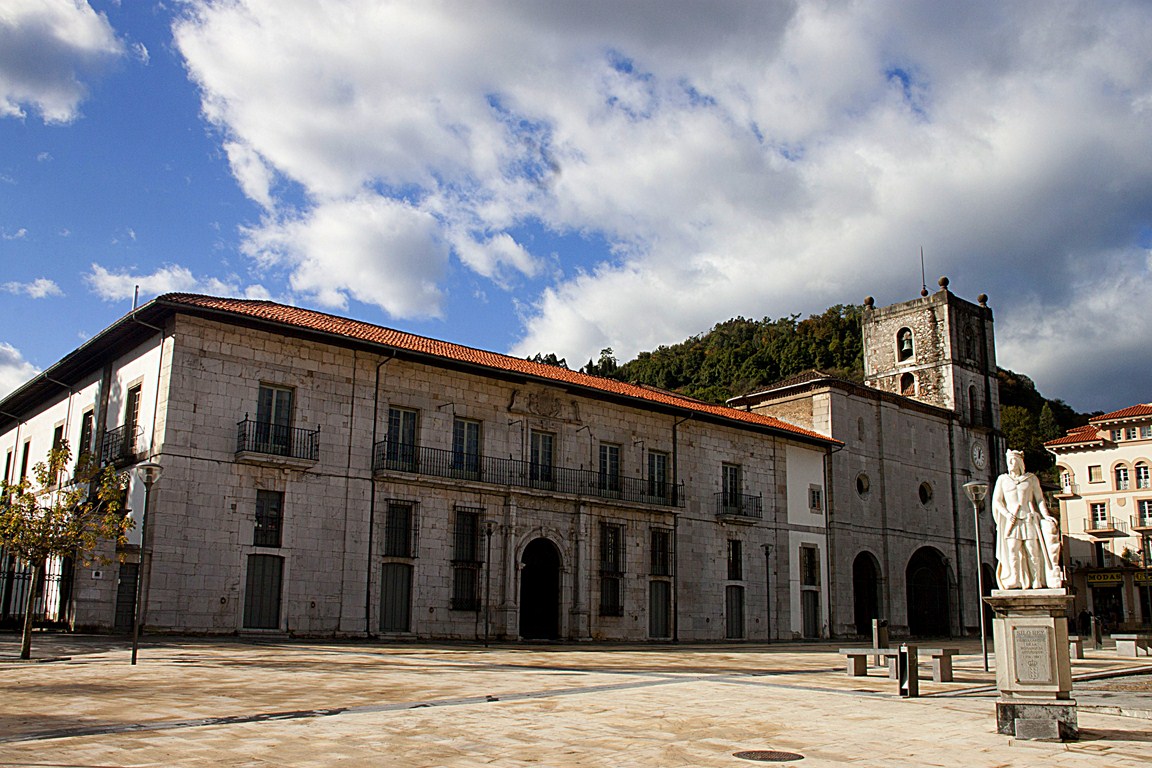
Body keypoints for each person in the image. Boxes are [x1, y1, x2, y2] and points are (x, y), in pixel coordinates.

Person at [991, 449, 1063, 589]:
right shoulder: (1002, 480)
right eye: (1008, 460)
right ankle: (1015, 579)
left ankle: (1036, 579)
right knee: (1012, 550)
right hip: (1012, 521)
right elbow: (997, 501)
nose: (1010, 463)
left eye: (1013, 460)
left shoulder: (1030, 479)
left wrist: (1046, 515)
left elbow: (1040, 499)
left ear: (1019, 462)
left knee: (1032, 550)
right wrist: (1007, 514)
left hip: (1028, 518)